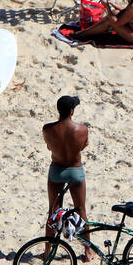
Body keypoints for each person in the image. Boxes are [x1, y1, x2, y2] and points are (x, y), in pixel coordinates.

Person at [42, 95, 89, 252]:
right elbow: (82, 146)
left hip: (57, 170)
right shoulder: (82, 129)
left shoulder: (48, 129)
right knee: (81, 210)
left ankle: (47, 250)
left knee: (53, 212)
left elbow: (49, 146)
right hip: (75, 170)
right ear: (71, 111)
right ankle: (88, 250)